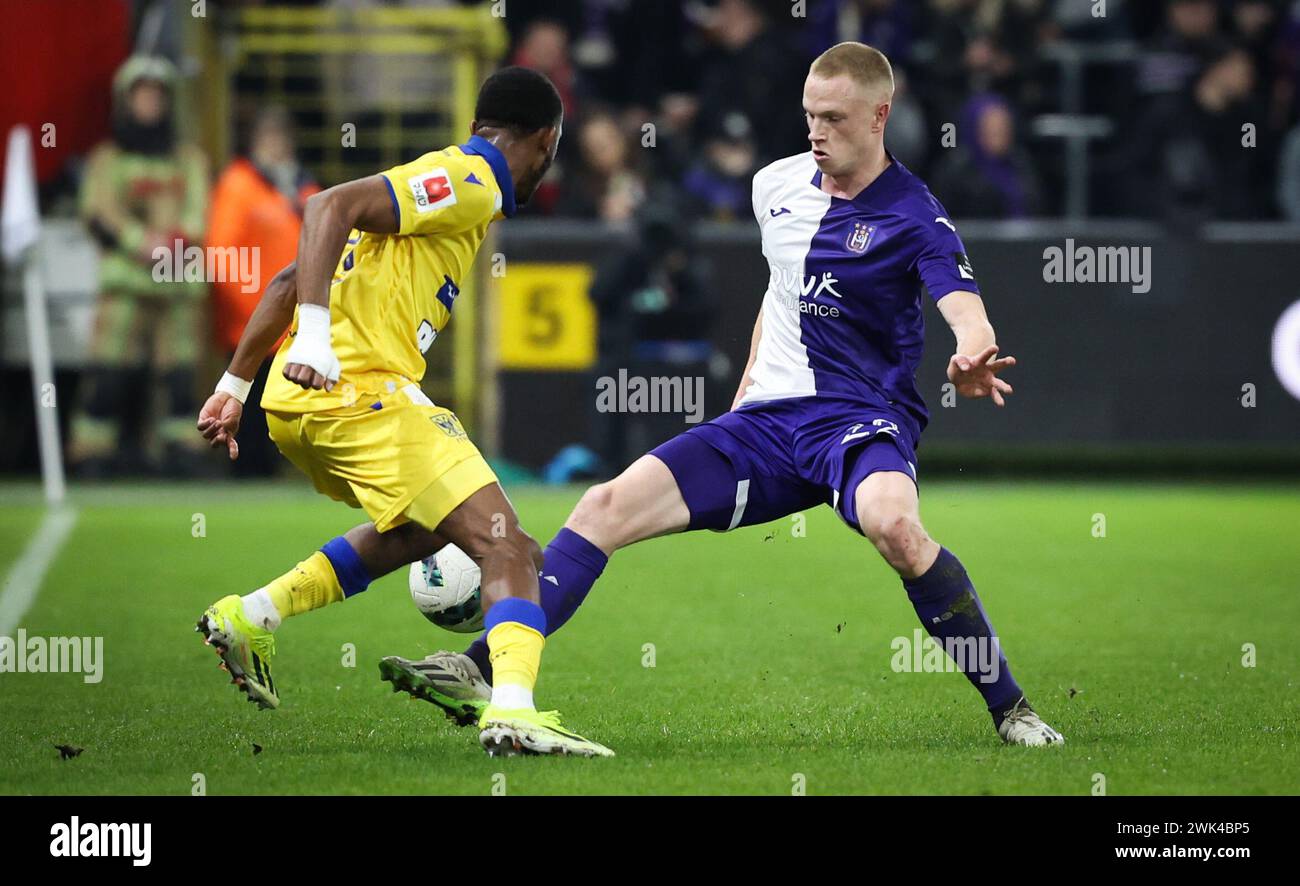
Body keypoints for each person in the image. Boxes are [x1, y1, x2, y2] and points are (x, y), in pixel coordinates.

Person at [391, 42, 1064, 748]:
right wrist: (746, 394)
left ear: (879, 117)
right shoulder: (775, 185)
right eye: (810, 116)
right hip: (764, 427)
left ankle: (1012, 709)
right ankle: (474, 670)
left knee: (896, 528)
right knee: (602, 505)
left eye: (834, 118)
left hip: (859, 421)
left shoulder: (914, 214)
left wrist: (968, 353)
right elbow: (780, 298)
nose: (817, 132)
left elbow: (964, 303)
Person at [194, 67, 611, 758]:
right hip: (359, 391)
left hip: (294, 405)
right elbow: (325, 206)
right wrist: (321, 339)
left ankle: (252, 614)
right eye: (550, 152)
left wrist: (233, 389)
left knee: (421, 528)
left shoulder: (428, 193)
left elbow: (286, 277)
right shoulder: (469, 179)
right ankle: (513, 709)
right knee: (510, 546)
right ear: (545, 139)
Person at [75, 55, 208, 476]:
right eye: (142, 95)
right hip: (124, 285)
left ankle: (183, 453)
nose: (151, 103)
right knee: (109, 374)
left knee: (181, 377)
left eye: (158, 96)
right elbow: (97, 214)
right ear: (126, 101)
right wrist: (140, 242)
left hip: (177, 285)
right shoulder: (106, 159)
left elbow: (199, 215)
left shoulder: (189, 160)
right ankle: (92, 452)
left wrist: (170, 243)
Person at [206, 106, 321, 477]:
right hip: (254, 323)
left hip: (296, 324)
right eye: (269, 137)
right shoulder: (239, 184)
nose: (277, 146)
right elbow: (222, 254)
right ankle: (243, 474)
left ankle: (273, 472)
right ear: (255, 142)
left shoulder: (302, 187)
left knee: (282, 411)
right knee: (248, 409)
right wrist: (256, 311)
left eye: (282, 137)